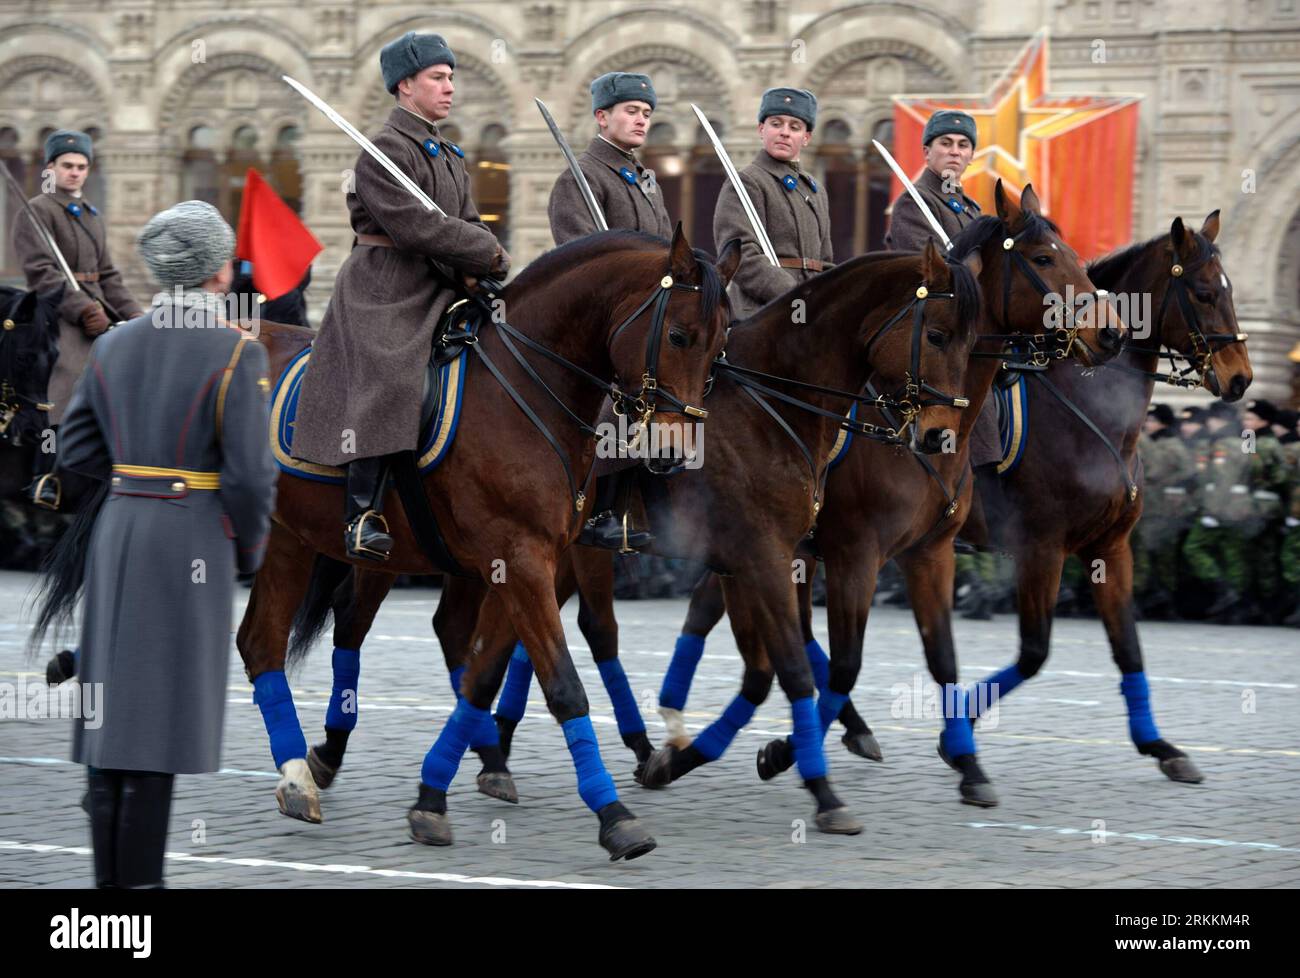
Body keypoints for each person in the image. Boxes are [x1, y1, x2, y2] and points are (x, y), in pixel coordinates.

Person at [30, 200, 277, 887]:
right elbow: (253, 479)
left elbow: (77, 449)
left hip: (119, 535)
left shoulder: (115, 342)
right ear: (217, 272)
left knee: (111, 725)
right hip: (190, 540)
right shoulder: (236, 349)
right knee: (160, 724)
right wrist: (246, 553)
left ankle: (112, 896)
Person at [290, 31, 509, 561]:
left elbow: (466, 222)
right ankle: (361, 511)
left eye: (451, 77)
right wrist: (483, 249)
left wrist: (484, 261)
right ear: (406, 85)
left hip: (439, 281)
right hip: (386, 286)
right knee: (391, 372)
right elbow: (416, 228)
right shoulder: (382, 152)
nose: (449, 87)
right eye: (438, 77)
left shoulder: (449, 153)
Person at [548, 71, 672, 551]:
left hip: (647, 313)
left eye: (646, 114)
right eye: (631, 112)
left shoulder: (644, 181)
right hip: (599, 317)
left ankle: (663, 493)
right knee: (617, 385)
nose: (641, 120)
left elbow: (663, 248)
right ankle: (601, 506)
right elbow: (577, 255)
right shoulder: (579, 177)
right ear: (603, 117)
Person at [13, 129, 143, 506]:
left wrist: (135, 314)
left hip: (99, 307)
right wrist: (82, 309)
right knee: (68, 377)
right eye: (67, 166)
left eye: (82, 167)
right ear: (50, 168)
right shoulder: (36, 210)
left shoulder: (90, 215)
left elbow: (108, 275)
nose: (75, 173)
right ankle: (47, 474)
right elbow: (41, 273)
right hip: (57, 314)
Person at [713, 86, 833, 319]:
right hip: (761, 313)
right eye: (776, 124)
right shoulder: (747, 182)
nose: (784, 132)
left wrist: (829, 297)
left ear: (806, 138)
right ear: (761, 129)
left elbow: (824, 262)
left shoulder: (815, 190)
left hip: (810, 311)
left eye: (795, 127)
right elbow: (741, 256)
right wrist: (794, 294)